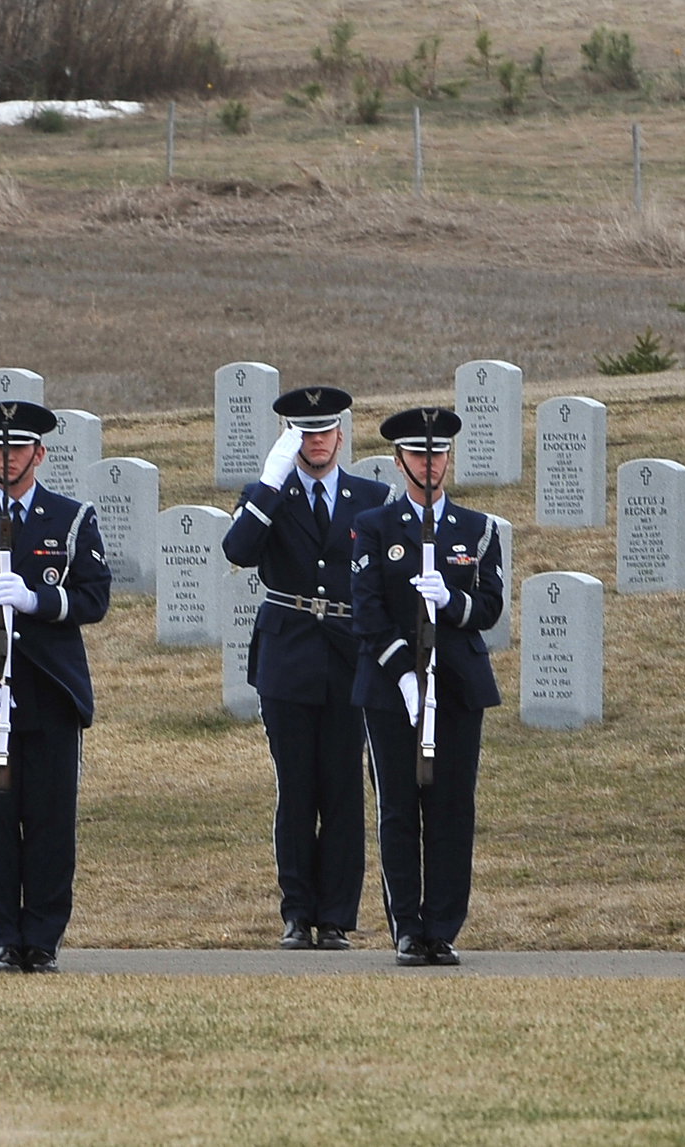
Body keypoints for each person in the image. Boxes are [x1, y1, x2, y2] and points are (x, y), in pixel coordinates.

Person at [0, 401, 112, 973]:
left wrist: (38, 601)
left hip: (52, 692)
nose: (6, 457)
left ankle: (44, 936)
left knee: (51, 821)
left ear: (39, 453)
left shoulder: (71, 518)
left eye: (18, 448)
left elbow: (94, 596)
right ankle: (3, 935)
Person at [222, 386, 391, 950]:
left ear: (340, 435)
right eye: (303, 433)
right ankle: (296, 912)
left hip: (349, 652)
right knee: (295, 789)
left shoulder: (372, 496)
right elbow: (239, 550)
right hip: (288, 652)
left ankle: (336, 917)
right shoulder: (268, 494)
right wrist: (269, 486)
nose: (316, 442)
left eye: (324, 432)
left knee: (343, 787)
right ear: (288, 438)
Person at [351, 407, 504, 967]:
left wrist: (452, 602)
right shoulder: (373, 527)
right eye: (418, 454)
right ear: (398, 461)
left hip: (460, 686)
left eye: (437, 453)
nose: (430, 463)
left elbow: (489, 606)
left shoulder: (478, 529)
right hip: (391, 688)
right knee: (398, 807)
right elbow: (366, 612)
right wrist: (406, 676)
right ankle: (407, 929)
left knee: (451, 808)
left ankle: (442, 926)